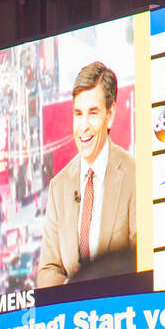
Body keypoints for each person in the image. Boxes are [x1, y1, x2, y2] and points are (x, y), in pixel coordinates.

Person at [36, 61, 136, 288]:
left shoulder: (133, 175)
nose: (83, 126)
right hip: (73, 316)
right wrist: (74, 293)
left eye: (93, 113)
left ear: (110, 115)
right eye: (78, 114)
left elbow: (141, 262)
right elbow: (47, 272)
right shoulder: (59, 186)